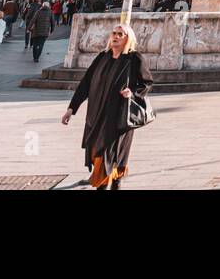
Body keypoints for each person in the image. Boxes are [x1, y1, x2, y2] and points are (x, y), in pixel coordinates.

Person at [61, 23, 154, 190]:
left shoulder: (134, 58)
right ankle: (113, 183)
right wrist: (71, 109)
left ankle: (106, 184)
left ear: (128, 38)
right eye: (114, 33)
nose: (115, 36)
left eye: (120, 34)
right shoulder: (102, 57)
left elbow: (146, 82)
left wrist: (132, 92)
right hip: (96, 115)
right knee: (100, 154)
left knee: (109, 156)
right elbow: (86, 83)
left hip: (119, 118)